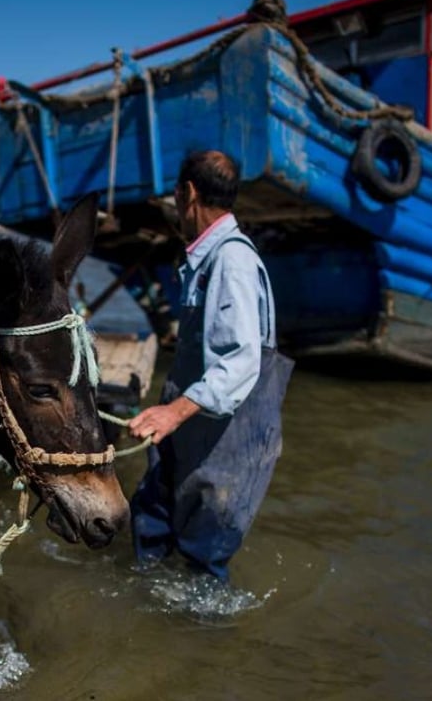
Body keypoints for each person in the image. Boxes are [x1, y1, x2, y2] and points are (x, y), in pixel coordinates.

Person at [128, 150, 294, 582]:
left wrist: (173, 411)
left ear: (188, 192)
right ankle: (148, 610)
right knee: (152, 520)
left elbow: (240, 360)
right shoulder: (209, 257)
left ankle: (197, 636)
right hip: (191, 434)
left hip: (223, 440)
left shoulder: (230, 261)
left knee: (203, 561)